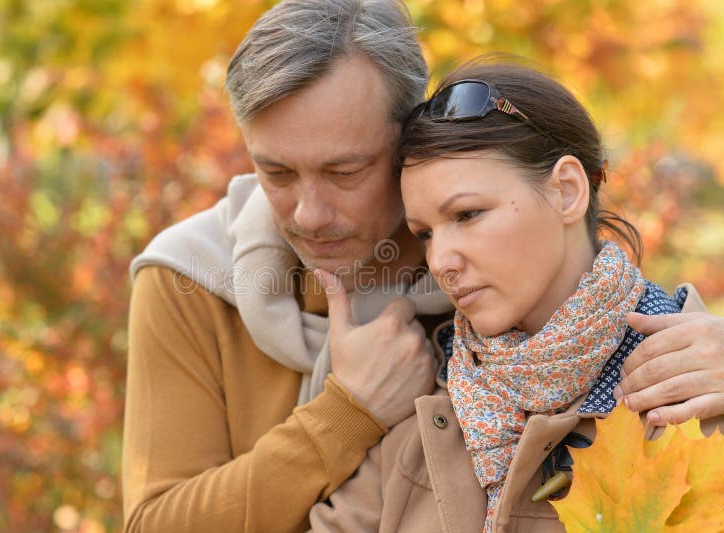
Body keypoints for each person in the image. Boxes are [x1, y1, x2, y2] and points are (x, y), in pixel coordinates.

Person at [122, 1, 724, 531]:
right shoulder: (189, 279)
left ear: (406, 148)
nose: (308, 212)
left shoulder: (506, 303)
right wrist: (346, 415)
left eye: (345, 171)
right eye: (275, 172)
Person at [308, 56, 724, 533]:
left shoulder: (695, 404)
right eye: (425, 233)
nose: (440, 261)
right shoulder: (422, 395)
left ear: (567, 191)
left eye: (466, 215)